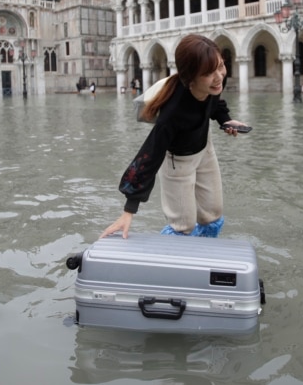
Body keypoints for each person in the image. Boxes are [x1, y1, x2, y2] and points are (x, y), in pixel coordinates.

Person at [100, 34, 248, 240]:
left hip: (204, 149)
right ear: (190, 78)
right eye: (208, 72)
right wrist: (129, 210)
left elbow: (214, 103)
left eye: (221, 66)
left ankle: (203, 251)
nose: (219, 76)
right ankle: (173, 252)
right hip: (177, 162)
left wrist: (226, 121)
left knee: (213, 214)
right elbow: (150, 155)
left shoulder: (213, 84)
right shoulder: (173, 113)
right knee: (183, 225)